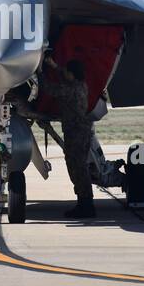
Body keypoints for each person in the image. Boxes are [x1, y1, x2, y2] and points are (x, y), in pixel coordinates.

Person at [37, 54, 96, 219]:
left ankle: (86, 205)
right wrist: (54, 66)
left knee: (78, 168)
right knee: (78, 167)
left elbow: (49, 89)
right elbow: (66, 74)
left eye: (68, 72)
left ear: (72, 74)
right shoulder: (81, 85)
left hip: (76, 132)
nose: (65, 74)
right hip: (80, 130)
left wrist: (40, 72)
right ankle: (84, 203)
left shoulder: (70, 90)